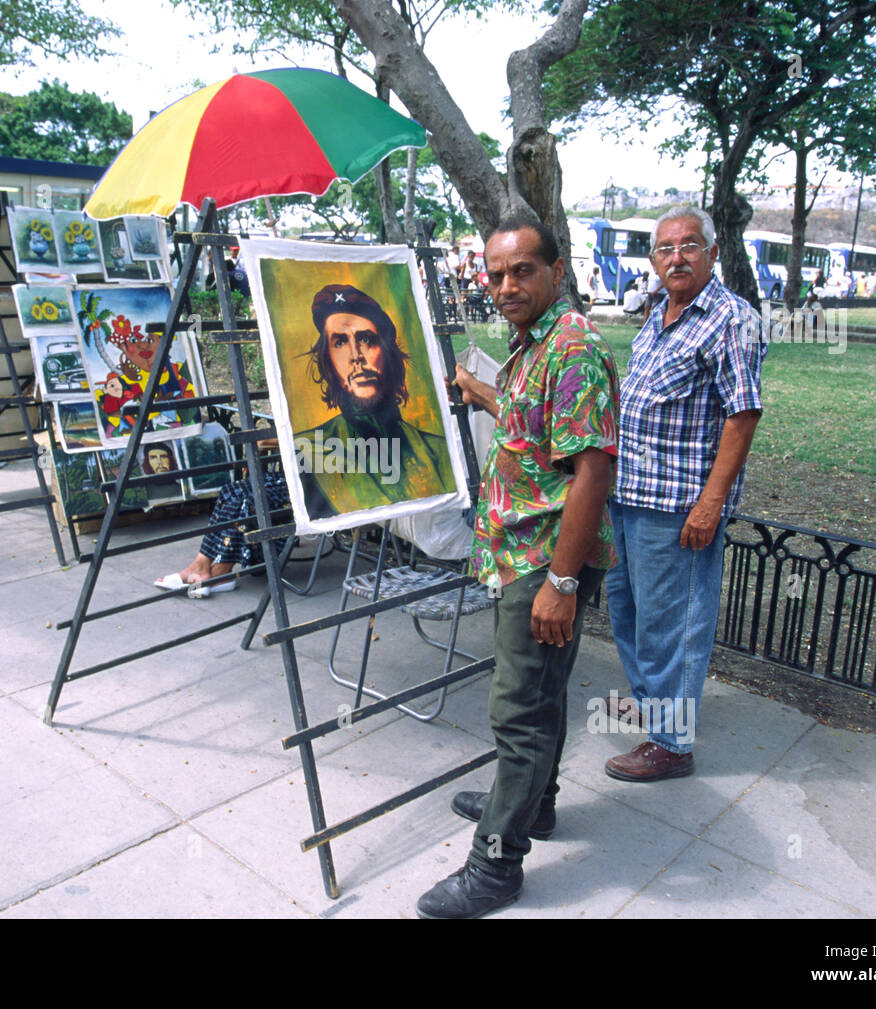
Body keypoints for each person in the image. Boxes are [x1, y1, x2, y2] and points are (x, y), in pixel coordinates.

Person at [415, 216, 620, 919]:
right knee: (543, 692)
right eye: (496, 273)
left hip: (546, 557)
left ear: (556, 272)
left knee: (519, 708)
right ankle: (536, 803)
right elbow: (541, 428)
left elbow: (592, 471)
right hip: (524, 551)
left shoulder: (574, 349)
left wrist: (561, 584)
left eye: (522, 270)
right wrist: (478, 390)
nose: (506, 285)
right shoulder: (536, 343)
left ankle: (496, 864)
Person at [604, 205, 764, 782]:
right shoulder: (657, 311)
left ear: (713, 253)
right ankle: (655, 708)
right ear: (653, 260)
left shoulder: (730, 319)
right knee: (628, 610)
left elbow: (742, 416)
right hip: (627, 495)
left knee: (673, 622)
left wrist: (711, 503)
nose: (677, 257)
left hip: (676, 506)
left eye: (689, 245)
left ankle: (671, 744)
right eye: (666, 248)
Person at [292, 284, 456, 519]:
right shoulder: (308, 449)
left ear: (387, 352)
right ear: (328, 362)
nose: (356, 356)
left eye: (366, 339)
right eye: (339, 342)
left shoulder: (437, 452)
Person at [155, 441, 290, 597]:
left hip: (314, 485)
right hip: (292, 475)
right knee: (231, 491)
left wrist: (265, 441)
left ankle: (220, 571)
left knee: (246, 499)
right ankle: (201, 564)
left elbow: (311, 434)